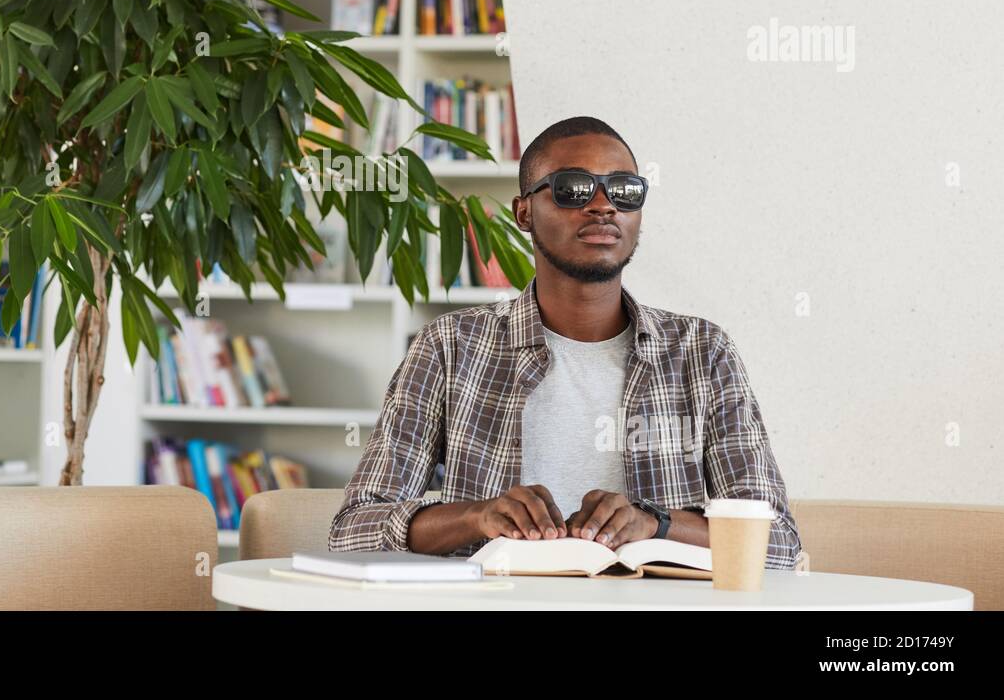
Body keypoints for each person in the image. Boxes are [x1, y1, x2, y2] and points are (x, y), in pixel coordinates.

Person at [329, 116, 802, 568]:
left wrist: (653, 525)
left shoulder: (703, 351)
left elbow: (776, 538)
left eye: (624, 190)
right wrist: (477, 516)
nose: (603, 205)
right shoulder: (451, 347)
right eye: (573, 189)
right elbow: (354, 529)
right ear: (523, 211)